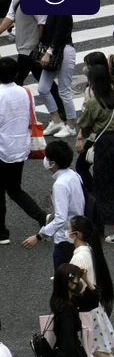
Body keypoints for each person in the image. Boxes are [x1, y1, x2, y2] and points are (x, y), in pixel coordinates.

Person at [77, 64, 114, 243]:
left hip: (104, 142)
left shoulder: (94, 102)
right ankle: (112, 216)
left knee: (102, 184)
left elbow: (84, 124)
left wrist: (81, 138)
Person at [0, 57, 48, 246]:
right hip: (21, 147)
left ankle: (2, 232)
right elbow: (32, 117)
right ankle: (42, 217)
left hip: (2, 148)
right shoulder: (25, 92)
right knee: (14, 189)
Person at [67, 217, 114, 357]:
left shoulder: (78, 257)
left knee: (93, 350)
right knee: (99, 350)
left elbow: (74, 285)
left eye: (68, 229)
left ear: (76, 234)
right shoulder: (90, 250)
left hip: (82, 310)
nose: (66, 232)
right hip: (93, 308)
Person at [20, 141, 84, 271]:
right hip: (77, 234)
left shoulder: (60, 185)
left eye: (48, 158)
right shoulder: (74, 175)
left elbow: (61, 218)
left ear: (53, 164)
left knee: (62, 279)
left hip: (65, 240)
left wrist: (39, 236)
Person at [36, 13, 77, 140]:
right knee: (42, 88)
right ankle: (57, 120)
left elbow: (60, 31)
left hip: (64, 50)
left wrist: (48, 52)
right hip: (53, 51)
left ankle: (71, 126)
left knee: (64, 90)